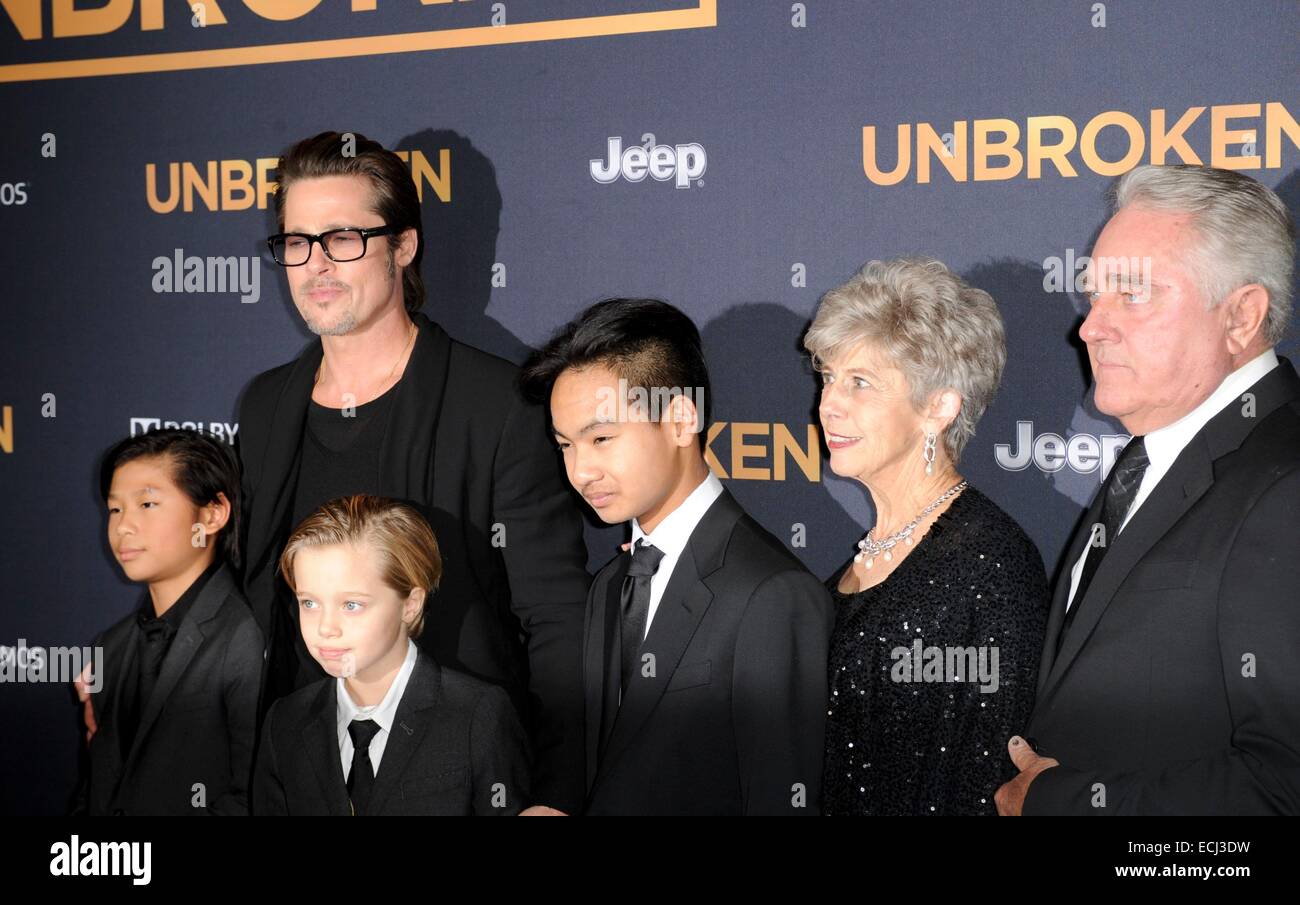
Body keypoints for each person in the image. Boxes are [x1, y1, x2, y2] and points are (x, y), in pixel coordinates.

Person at [239, 131, 591, 812]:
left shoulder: (496, 404)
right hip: (301, 779)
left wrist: (556, 791)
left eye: (344, 238)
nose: (317, 265)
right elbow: (251, 606)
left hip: (455, 779)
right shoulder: (265, 406)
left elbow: (556, 621)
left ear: (403, 246)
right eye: (297, 242)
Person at [997, 164, 1300, 816]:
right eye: (1094, 295)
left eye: (1131, 295)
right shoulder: (1151, 454)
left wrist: (1058, 802)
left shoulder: (1285, 487)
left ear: (1242, 315)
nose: (1090, 327)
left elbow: (1284, 788)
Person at [520, 297, 834, 815]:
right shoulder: (610, 584)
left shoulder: (773, 594)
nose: (579, 471)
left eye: (601, 438)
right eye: (565, 446)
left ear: (681, 420)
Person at [806, 257, 1049, 815]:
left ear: (938, 407)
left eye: (860, 382)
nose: (829, 404)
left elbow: (989, 785)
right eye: (829, 377)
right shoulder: (860, 558)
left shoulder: (992, 566)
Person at [253, 495, 530, 816]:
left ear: (410, 604)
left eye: (351, 605)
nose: (326, 628)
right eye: (309, 603)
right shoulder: (285, 722)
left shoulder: (478, 716)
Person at [73, 428, 264, 815]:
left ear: (212, 514)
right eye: (115, 508)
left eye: (146, 504)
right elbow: (97, 793)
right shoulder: (110, 647)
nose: (123, 526)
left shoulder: (247, 638)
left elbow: (255, 799)